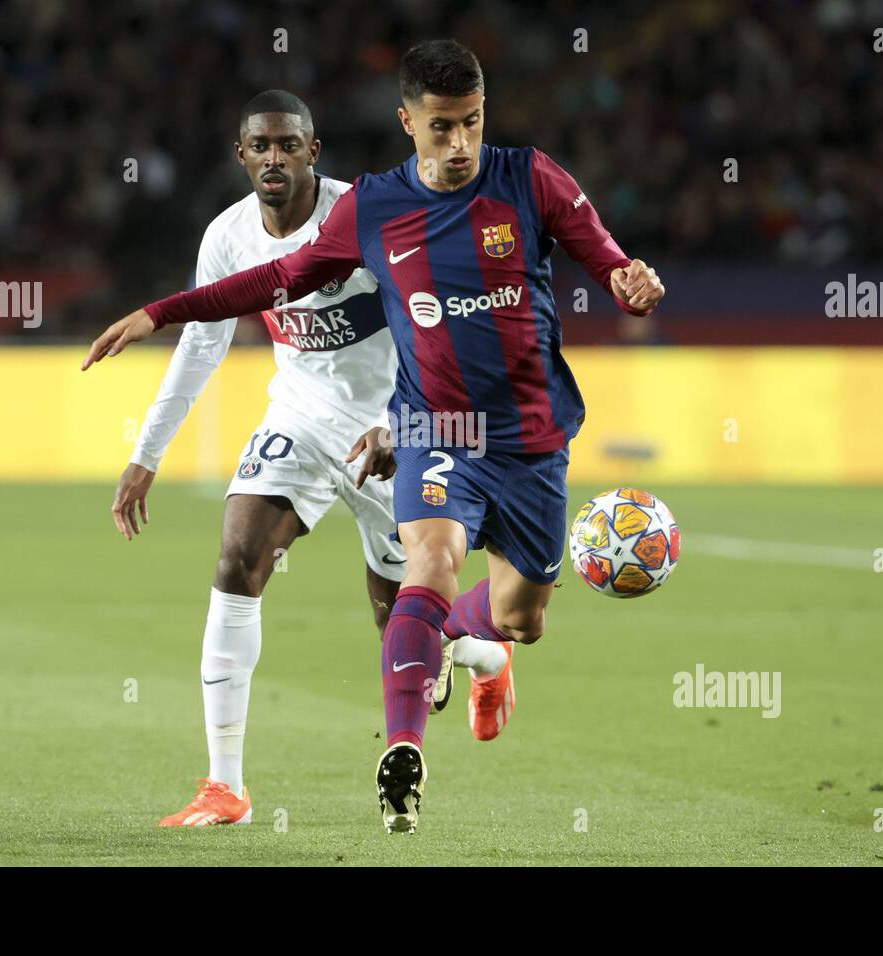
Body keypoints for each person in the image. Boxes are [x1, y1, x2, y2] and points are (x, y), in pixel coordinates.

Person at [82, 44, 665, 833]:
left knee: (501, 615)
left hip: (473, 430)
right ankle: (308, 775)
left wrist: (627, 275)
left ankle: (485, 650)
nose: (458, 145)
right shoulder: (354, 214)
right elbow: (269, 288)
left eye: (471, 125)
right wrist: (163, 315)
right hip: (393, 425)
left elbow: (591, 257)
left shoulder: (510, 181)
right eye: (440, 128)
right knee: (302, 558)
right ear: (407, 123)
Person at [108, 89, 508, 829]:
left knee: (406, 626)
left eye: (288, 145)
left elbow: (436, 318)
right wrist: (146, 454)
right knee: (238, 556)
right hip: (302, 420)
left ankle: (485, 658)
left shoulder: (365, 215)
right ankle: (225, 786)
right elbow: (202, 343)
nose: (273, 158)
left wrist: (409, 423)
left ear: (312, 153)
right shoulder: (227, 237)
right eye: (260, 146)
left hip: (395, 429)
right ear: (241, 155)